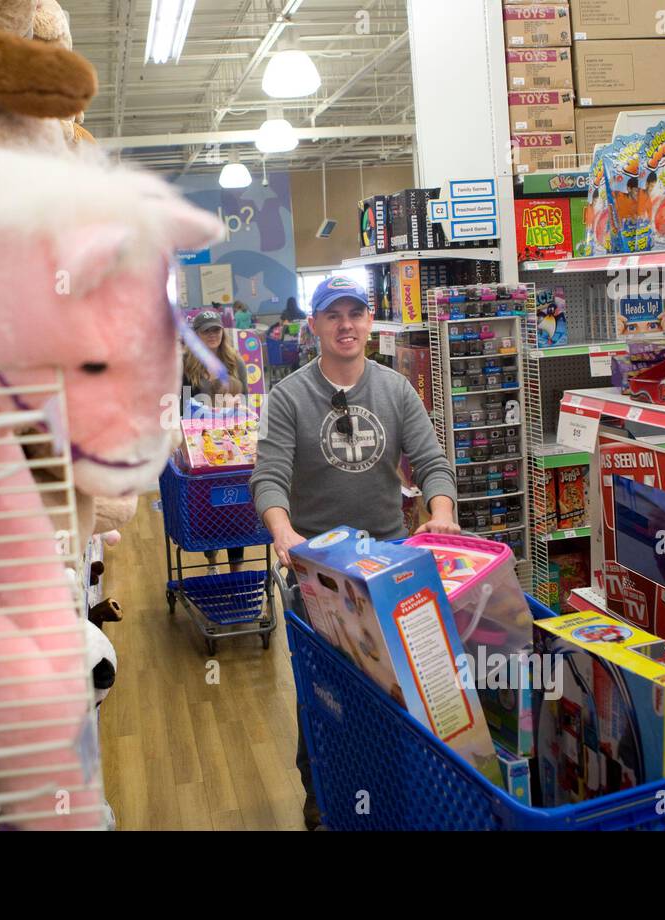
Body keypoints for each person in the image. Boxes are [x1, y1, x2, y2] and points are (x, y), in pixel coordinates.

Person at [249, 275, 460, 830]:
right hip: (317, 570)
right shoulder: (288, 396)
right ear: (314, 325)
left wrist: (441, 512)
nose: (346, 324)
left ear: (369, 322)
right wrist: (283, 530)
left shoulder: (395, 390)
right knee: (324, 694)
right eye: (333, 315)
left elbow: (432, 462)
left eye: (356, 314)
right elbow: (268, 476)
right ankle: (323, 802)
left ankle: (396, 792)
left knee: (400, 690)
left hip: (388, 563)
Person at [183, 310, 251, 573]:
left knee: (236, 505)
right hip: (201, 447)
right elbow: (182, 407)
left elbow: (244, 400)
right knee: (209, 504)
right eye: (206, 331)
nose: (212, 335)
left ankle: (237, 570)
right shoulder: (186, 367)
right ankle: (211, 560)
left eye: (216, 330)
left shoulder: (236, 362)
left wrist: (237, 404)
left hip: (234, 445)